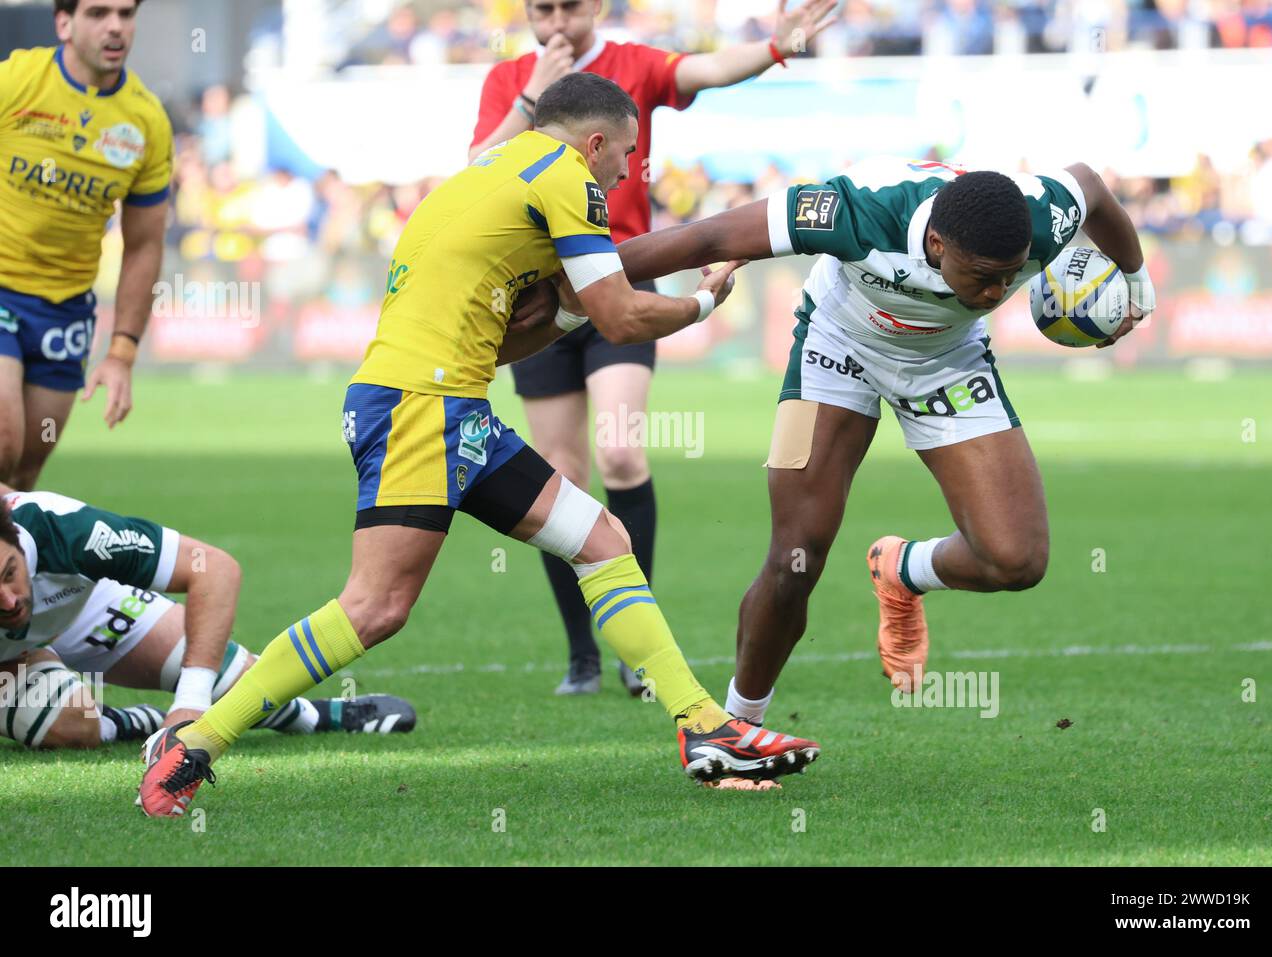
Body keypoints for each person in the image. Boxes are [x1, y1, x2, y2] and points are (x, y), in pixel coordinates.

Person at [138, 73, 820, 818]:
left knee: (601, 538)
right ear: (594, 143)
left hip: (440, 403)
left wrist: (561, 313)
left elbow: (501, 340)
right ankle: (194, 745)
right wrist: (703, 301)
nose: (627, 171)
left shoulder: (489, 174)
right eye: (624, 153)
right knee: (374, 606)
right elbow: (620, 317)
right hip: (421, 407)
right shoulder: (567, 176)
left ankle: (704, 727)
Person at [614, 156, 1156, 732]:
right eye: (983, 276)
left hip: (947, 363)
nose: (998, 292)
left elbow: (1092, 186)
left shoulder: (1043, 213)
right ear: (939, 243)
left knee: (1016, 561)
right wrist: (571, 278)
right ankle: (735, 728)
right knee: (795, 557)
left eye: (1011, 274)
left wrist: (1135, 277)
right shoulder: (858, 212)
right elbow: (708, 235)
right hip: (835, 347)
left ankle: (903, 569)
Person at [470, 0, 839, 696]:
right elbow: (478, 169)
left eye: (567, 8)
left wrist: (776, 46)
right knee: (560, 473)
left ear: (595, 9)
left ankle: (637, 649)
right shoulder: (511, 78)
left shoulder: (631, 65)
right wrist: (530, 92)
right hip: (540, 300)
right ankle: (581, 653)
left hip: (616, 282)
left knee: (620, 450)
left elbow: (707, 67)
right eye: (540, 9)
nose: (554, 21)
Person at [0, 487, 416, 751]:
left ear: (16, 538)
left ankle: (316, 715)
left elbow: (211, 568)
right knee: (73, 725)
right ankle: (126, 723)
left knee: (243, 685)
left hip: (76, 604)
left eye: (9, 574)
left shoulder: (61, 526)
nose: (8, 600)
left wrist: (190, 705)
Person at [0, 0, 171, 488]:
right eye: (98, 13)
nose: (115, 26)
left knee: (24, 473)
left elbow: (143, 245)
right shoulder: (15, 82)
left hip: (66, 310)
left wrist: (121, 353)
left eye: (125, 13)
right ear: (63, 23)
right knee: (2, 441)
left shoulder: (146, 122)